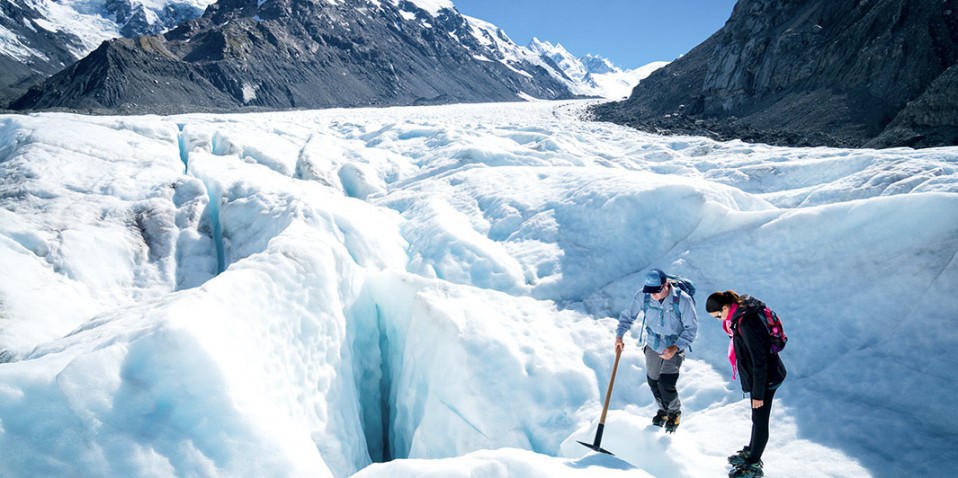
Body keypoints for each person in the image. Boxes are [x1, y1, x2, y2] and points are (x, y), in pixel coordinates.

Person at [706, 290, 787, 478]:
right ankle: (751, 452)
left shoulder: (747, 322)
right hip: (762, 377)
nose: (719, 320)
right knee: (756, 418)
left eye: (718, 315)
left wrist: (758, 393)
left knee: (760, 420)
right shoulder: (738, 317)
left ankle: (753, 465)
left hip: (767, 378)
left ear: (725, 308)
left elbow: (760, 361)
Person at [615, 268, 698, 433]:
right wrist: (619, 335)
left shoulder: (682, 300)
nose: (653, 295)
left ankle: (674, 412)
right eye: (650, 291)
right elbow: (628, 316)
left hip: (674, 345)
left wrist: (675, 348)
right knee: (653, 381)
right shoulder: (643, 296)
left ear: (665, 285)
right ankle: (664, 411)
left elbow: (691, 328)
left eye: (656, 291)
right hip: (653, 343)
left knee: (666, 382)